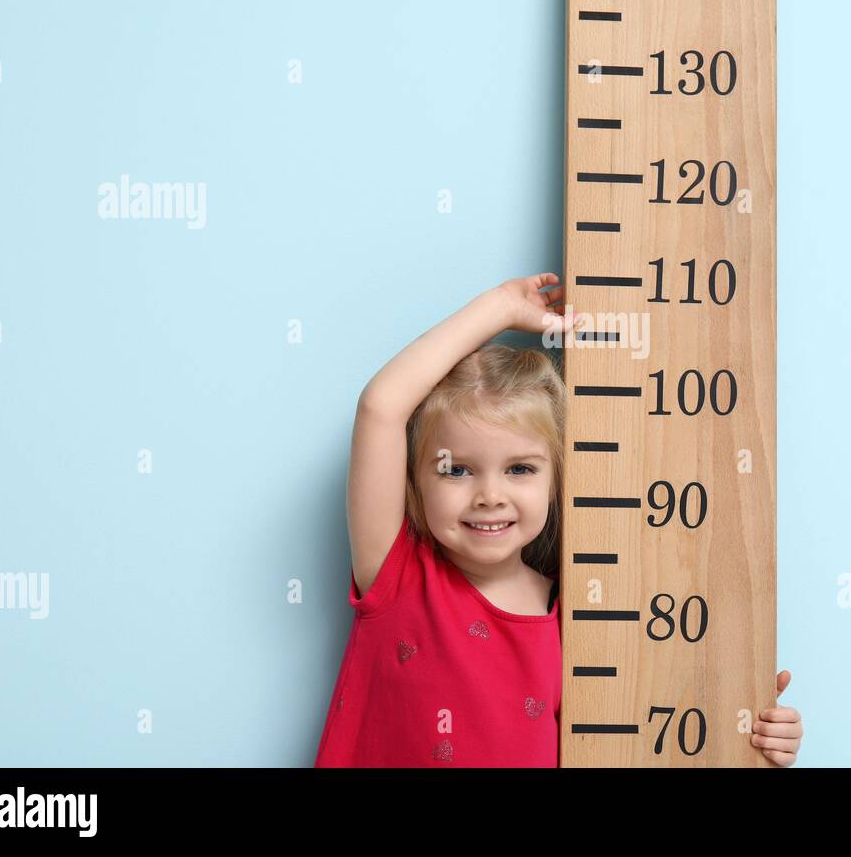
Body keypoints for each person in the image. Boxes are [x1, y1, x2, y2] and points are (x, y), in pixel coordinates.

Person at [314, 273, 803, 766]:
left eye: (519, 469)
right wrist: (500, 307)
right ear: (416, 480)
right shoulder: (396, 575)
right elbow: (380, 407)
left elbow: (668, 725)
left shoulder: (583, 615)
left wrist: (753, 730)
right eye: (456, 469)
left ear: (555, 479)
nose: (489, 495)